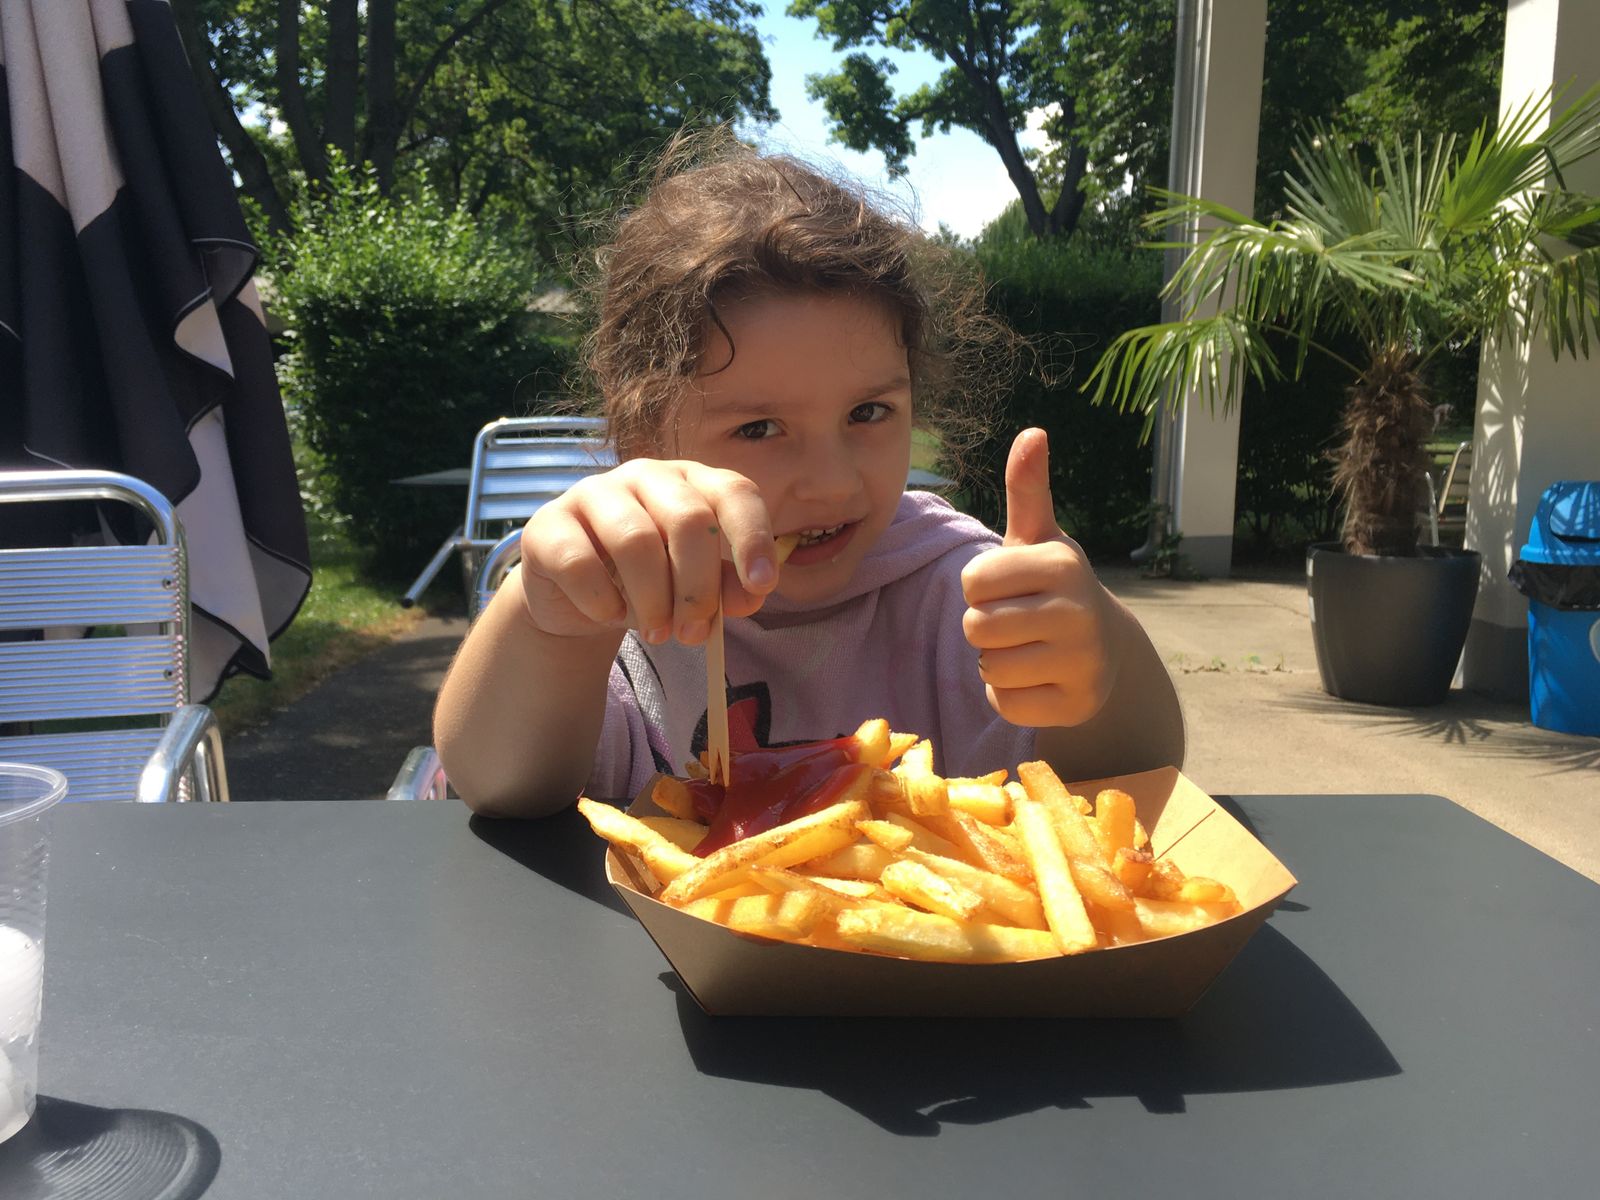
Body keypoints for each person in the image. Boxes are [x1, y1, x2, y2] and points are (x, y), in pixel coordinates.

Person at [433, 136, 1184, 818]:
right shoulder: (621, 586)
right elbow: (497, 785)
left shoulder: (953, 588)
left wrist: (1102, 668)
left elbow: (1138, 776)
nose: (830, 483)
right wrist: (549, 619)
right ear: (642, 438)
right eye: (759, 428)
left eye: (868, 412)